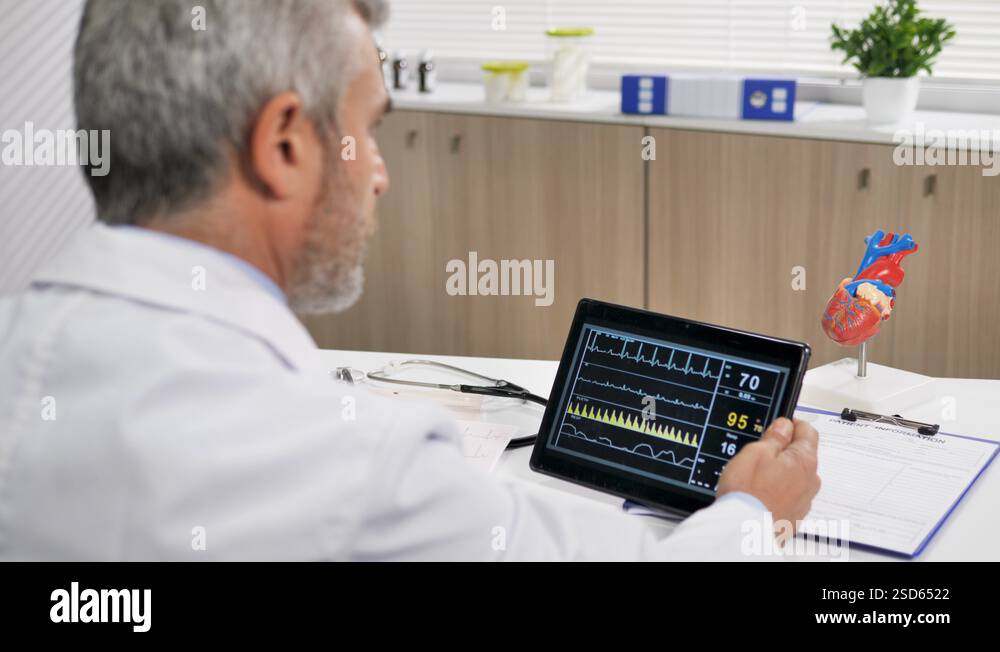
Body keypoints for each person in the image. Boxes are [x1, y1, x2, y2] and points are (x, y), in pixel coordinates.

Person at [0, 0, 820, 561]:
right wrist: (753, 516)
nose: (380, 175)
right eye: (367, 130)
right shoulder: (351, 467)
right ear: (285, 144)